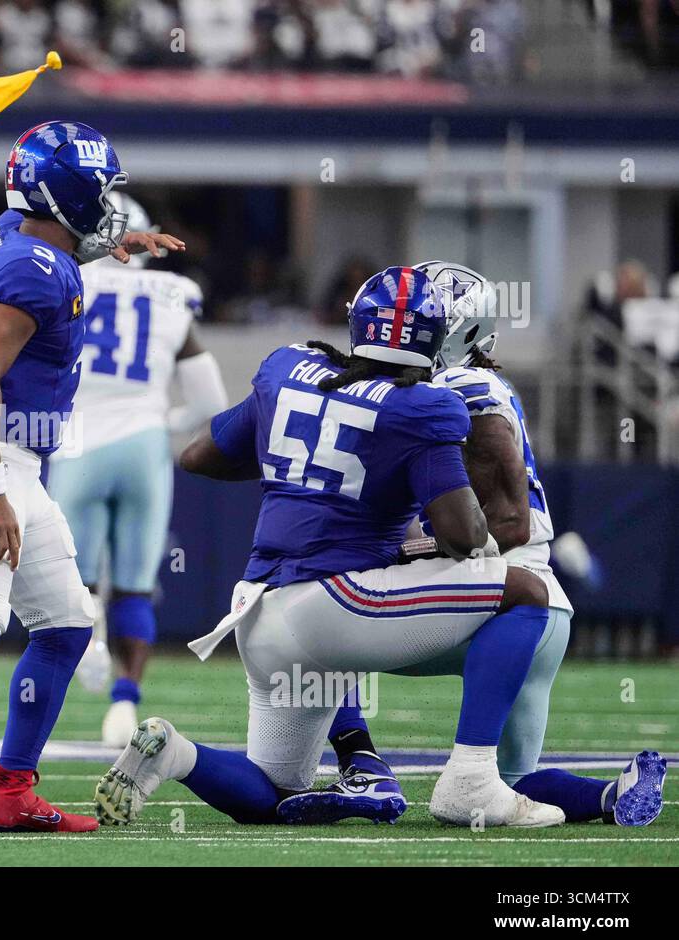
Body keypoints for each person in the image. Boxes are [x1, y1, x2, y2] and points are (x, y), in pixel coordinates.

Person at [94, 265, 565, 830]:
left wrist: (311, 470)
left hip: (258, 614)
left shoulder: (289, 369)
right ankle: (471, 780)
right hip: (336, 607)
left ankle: (174, 752)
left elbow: (200, 456)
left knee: (271, 791)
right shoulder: (426, 406)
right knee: (525, 592)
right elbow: (463, 537)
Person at [0, 120, 185, 836]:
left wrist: (118, 243)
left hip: (15, 463)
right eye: (102, 192)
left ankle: (11, 792)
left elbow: (53, 235)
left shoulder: (19, 232)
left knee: (68, 627)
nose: (110, 205)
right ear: (67, 194)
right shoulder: (30, 271)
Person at [284, 260, 667, 828]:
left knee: (317, 617)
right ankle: (612, 795)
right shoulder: (462, 384)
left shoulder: (465, 387)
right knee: (508, 782)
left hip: (501, 593)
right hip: (538, 610)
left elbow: (509, 521)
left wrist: (411, 549)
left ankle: (362, 766)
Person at [47, 192, 228, 746]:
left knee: (72, 578)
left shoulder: (60, 279)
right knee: (135, 584)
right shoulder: (174, 295)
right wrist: (156, 416)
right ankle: (125, 702)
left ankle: (91, 643)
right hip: (145, 446)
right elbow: (210, 404)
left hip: (78, 440)